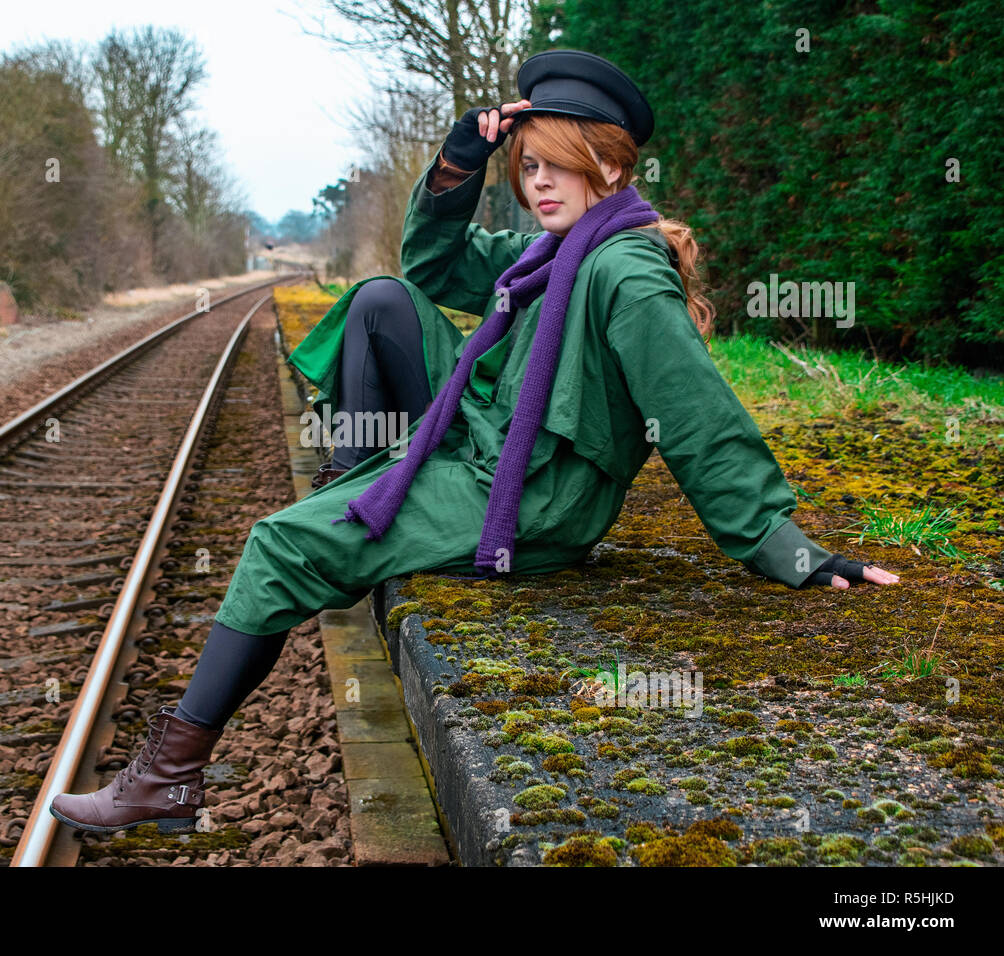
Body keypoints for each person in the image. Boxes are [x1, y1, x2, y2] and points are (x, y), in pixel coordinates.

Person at [50, 49, 899, 836]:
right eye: (526, 166)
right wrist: (460, 166)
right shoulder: (554, 253)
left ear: (608, 163)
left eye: (556, 163)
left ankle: (169, 775)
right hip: (491, 444)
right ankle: (355, 494)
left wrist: (783, 546)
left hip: (535, 497)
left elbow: (695, 412)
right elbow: (432, 266)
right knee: (381, 299)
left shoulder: (621, 269)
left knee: (276, 545)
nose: (537, 184)